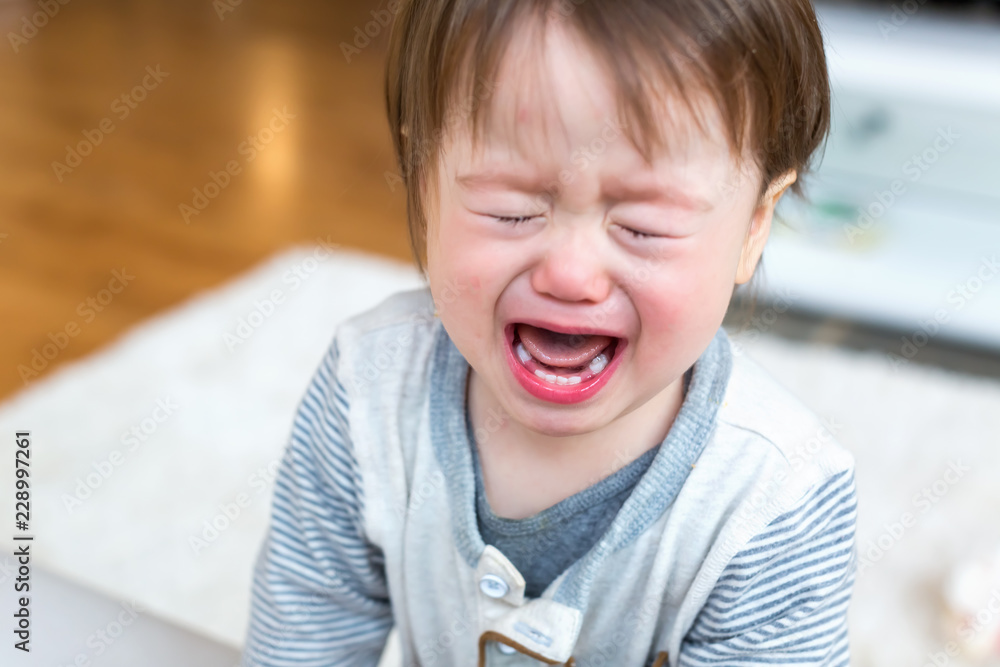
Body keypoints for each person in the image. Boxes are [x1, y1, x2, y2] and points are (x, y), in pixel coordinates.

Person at [242, 0, 857, 665]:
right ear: (426, 188)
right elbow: (302, 640)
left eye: (643, 226)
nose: (570, 273)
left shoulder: (774, 502)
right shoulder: (366, 394)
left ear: (754, 228)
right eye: (511, 211)